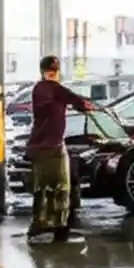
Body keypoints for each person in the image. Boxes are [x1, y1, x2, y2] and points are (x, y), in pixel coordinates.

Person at [26, 55, 95, 244]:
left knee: (42, 187)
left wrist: (80, 105)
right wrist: (85, 106)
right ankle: (60, 227)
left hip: (42, 147)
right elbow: (72, 97)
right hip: (52, 147)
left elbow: (69, 98)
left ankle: (40, 224)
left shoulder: (40, 89)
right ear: (55, 72)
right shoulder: (51, 89)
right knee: (62, 187)